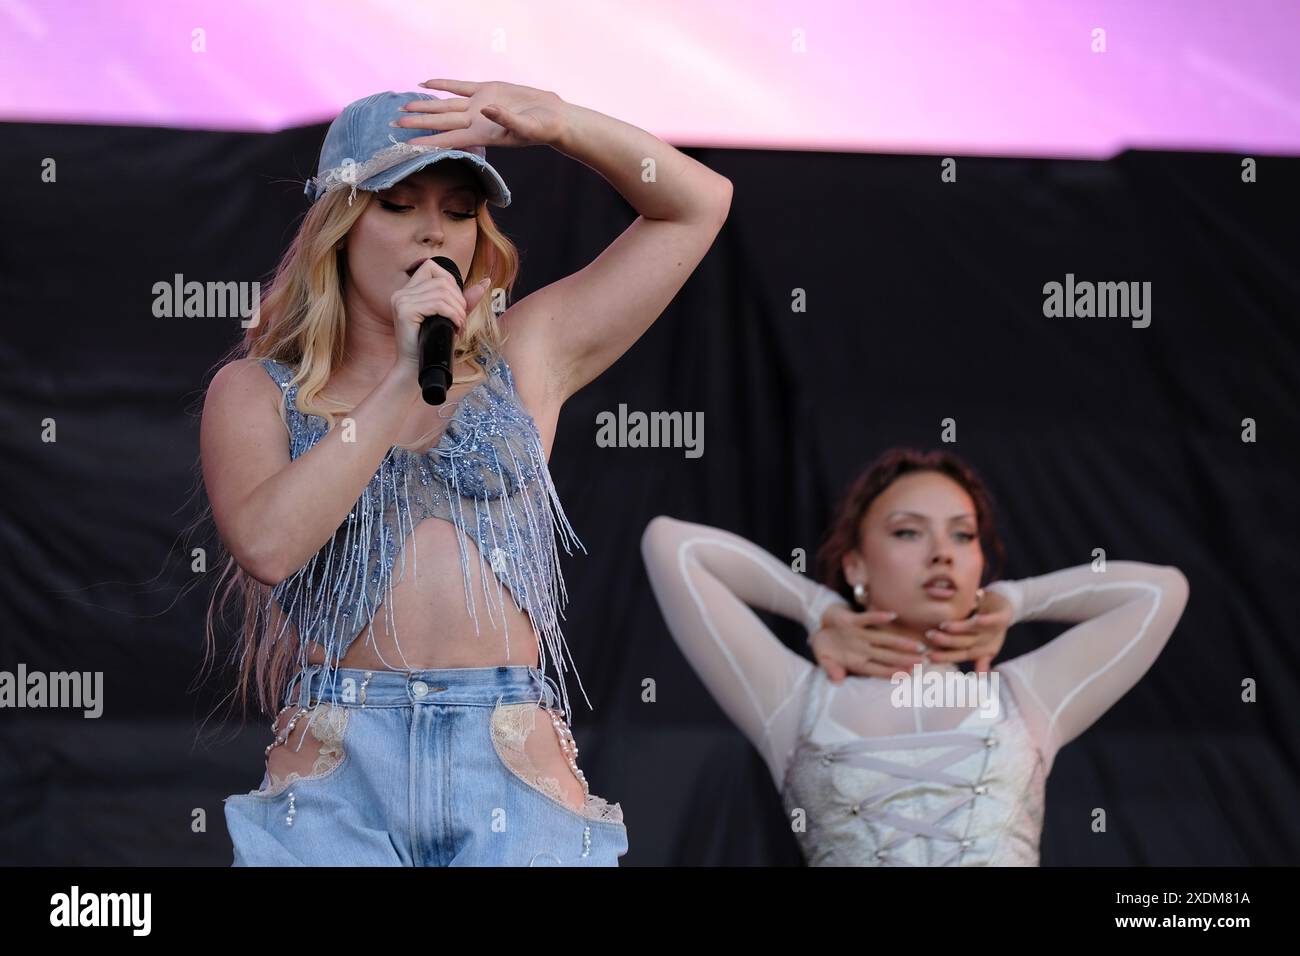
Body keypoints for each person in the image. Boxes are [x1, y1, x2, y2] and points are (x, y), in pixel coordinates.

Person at [199, 80, 732, 865]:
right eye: (399, 204)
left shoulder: (527, 353)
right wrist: (401, 379)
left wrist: (562, 125)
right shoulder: (256, 390)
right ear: (340, 223)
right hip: (341, 755)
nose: (431, 234)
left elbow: (697, 204)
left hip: (508, 748)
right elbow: (268, 546)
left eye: (457, 211)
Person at [640, 448, 1189, 865]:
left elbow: (1162, 591)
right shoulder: (795, 700)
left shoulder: (1024, 697)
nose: (940, 553)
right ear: (856, 566)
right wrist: (817, 607)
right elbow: (671, 545)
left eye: (963, 534)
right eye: (908, 531)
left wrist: (1017, 599)